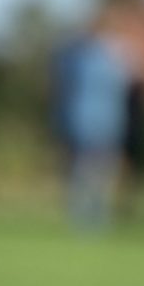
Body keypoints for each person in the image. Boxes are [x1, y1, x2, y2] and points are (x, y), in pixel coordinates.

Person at [51, 28, 131, 229]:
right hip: (96, 124)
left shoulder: (76, 59)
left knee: (88, 170)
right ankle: (90, 215)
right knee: (94, 170)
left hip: (92, 123)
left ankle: (86, 215)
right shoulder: (111, 62)